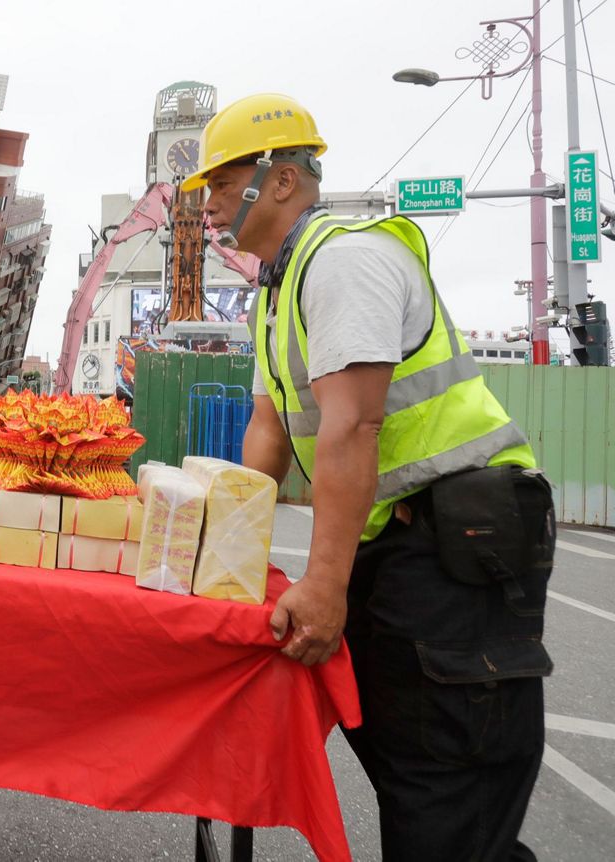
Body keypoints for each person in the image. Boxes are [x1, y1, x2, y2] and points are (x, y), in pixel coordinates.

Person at [182, 94, 554, 861]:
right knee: (410, 770)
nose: (210, 204)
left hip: (457, 544)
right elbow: (268, 431)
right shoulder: (277, 291)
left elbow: (354, 425)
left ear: (281, 181)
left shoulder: (344, 261)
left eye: (222, 182)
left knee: (445, 787)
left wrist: (323, 585)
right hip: (402, 545)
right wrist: (225, 553)